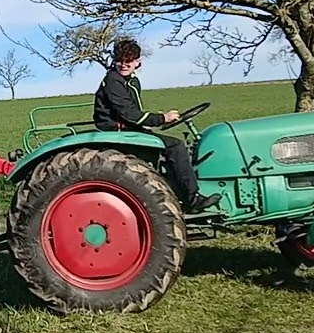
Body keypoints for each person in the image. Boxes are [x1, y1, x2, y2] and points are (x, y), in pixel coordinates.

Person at [92, 39, 221, 214]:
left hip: (126, 127)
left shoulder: (129, 80)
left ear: (137, 61)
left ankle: (177, 189)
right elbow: (128, 113)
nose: (123, 65)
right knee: (175, 146)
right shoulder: (114, 82)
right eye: (120, 60)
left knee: (170, 146)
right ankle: (192, 199)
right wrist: (162, 118)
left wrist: (148, 123)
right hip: (116, 129)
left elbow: (132, 111)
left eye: (128, 61)